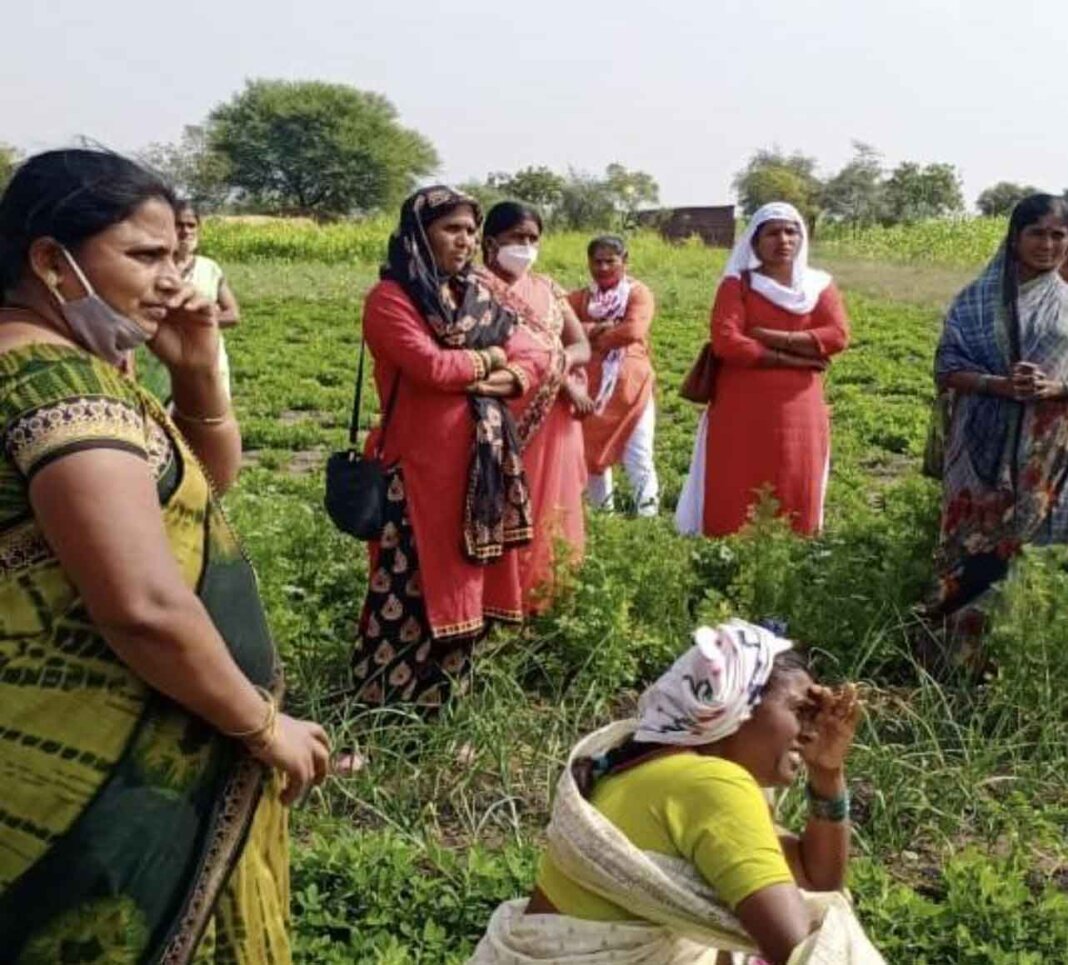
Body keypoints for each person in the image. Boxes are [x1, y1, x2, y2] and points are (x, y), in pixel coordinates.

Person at [0, 150, 328, 961]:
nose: (170, 279)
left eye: (177, 257)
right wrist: (262, 726)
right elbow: (141, 602)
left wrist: (196, 373)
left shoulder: (76, 366)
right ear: (51, 261)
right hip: (89, 779)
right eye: (144, 256)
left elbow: (203, 483)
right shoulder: (52, 383)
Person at [471, 619, 883, 964]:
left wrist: (827, 772)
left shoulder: (633, 767)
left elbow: (817, 878)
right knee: (829, 931)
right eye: (799, 711)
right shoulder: (714, 786)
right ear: (736, 706)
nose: (811, 731)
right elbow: (798, 948)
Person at [349, 186, 557, 707]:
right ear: (420, 233)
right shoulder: (392, 297)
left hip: (479, 471)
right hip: (416, 473)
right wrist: (489, 358)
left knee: (467, 586)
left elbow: (534, 351)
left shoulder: (480, 295)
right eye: (450, 229)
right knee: (404, 591)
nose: (463, 241)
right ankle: (382, 715)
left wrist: (511, 375)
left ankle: (443, 712)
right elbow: (431, 367)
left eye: (469, 230)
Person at [928, 194, 1068, 645]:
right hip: (978, 457)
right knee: (969, 551)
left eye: (1058, 235)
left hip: (1047, 460)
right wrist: (997, 384)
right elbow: (946, 367)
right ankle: (951, 653)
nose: (1047, 244)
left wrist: (1055, 388)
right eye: (1037, 233)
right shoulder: (976, 300)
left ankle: (1014, 652)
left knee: (1035, 551)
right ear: (1014, 239)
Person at [678, 202, 849, 538]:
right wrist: (794, 359)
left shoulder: (819, 286)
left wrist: (772, 337)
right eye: (772, 233)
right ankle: (727, 548)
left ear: (801, 238)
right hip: (743, 404)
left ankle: (794, 547)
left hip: (799, 406)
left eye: (791, 231)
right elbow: (727, 341)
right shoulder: (737, 285)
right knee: (739, 472)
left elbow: (838, 335)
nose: (783, 239)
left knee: (795, 469)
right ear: (754, 243)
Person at [479, 201, 591, 613]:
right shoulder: (475, 288)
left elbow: (581, 345)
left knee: (555, 506)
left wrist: (556, 368)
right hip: (506, 411)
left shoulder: (548, 288)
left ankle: (551, 597)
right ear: (491, 242)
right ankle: (502, 602)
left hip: (555, 420)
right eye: (516, 238)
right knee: (508, 503)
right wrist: (559, 375)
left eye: (532, 239)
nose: (525, 246)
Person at [569, 235, 660, 516]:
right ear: (588, 263)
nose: (604, 267)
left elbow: (632, 331)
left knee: (639, 453)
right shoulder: (580, 297)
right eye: (598, 261)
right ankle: (602, 517)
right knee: (595, 452)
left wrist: (587, 336)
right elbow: (559, 326)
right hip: (594, 388)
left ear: (625, 260)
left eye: (611, 260)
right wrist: (599, 328)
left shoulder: (638, 293)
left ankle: (647, 521)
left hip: (632, 388)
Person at [139, 200, 241, 403]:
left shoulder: (210, 268)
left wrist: (197, 321)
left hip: (208, 358)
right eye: (179, 225)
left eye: (191, 225)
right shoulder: (152, 269)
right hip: (163, 361)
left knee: (208, 418)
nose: (185, 231)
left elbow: (233, 315)